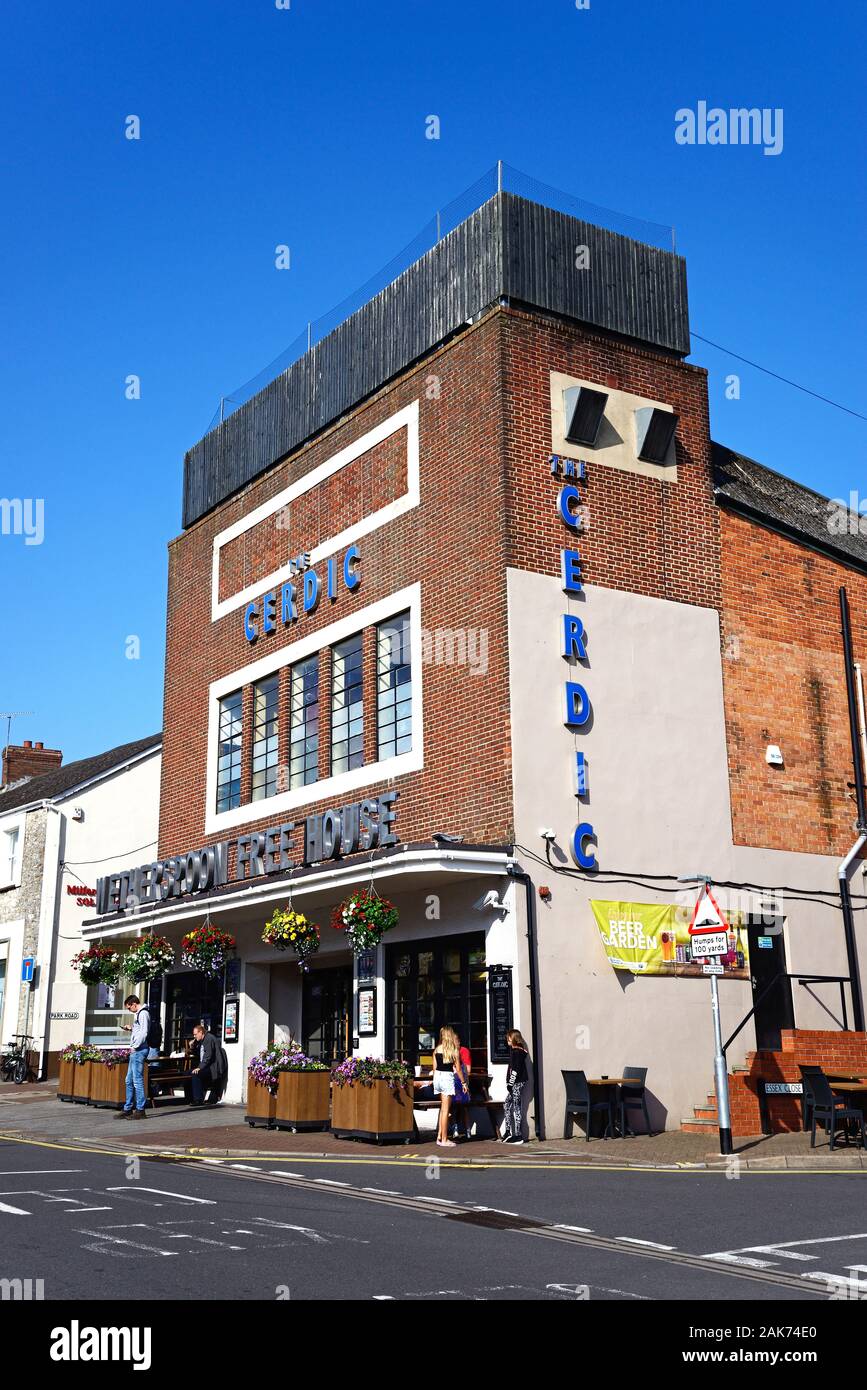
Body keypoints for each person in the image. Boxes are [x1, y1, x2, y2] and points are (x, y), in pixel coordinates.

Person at [119, 995, 151, 1119]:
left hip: (139, 1050)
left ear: (133, 1004)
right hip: (135, 1050)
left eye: (129, 1008)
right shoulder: (138, 1014)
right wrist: (131, 1028)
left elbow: (144, 1032)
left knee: (137, 1080)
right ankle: (128, 1108)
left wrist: (136, 1045)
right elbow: (139, 1030)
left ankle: (140, 1110)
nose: (129, 1010)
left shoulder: (143, 1014)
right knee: (129, 1080)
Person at [433, 1025, 464, 1147]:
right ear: (450, 1035)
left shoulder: (436, 1050)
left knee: (443, 1109)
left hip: (438, 1078)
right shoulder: (453, 1050)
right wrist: (463, 1083)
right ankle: (444, 1139)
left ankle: (439, 1136)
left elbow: (434, 1068)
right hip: (447, 1078)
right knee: (446, 1110)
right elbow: (459, 1069)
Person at [501, 1028, 530, 1144]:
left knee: (517, 1107)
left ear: (513, 1039)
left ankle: (518, 1135)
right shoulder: (516, 1051)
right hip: (515, 1083)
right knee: (507, 1104)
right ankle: (508, 1131)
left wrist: (510, 1084)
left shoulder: (517, 1053)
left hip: (517, 1083)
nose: (507, 1039)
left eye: (509, 1037)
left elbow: (515, 1070)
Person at [190, 1022, 227, 1105]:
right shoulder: (202, 1040)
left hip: (214, 1068)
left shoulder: (208, 1039)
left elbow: (208, 1056)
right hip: (208, 1066)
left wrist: (199, 1068)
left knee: (196, 1074)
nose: (194, 1036)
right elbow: (198, 1055)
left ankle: (198, 1099)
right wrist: (192, 1047)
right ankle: (189, 1097)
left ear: (200, 1032)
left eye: (195, 1034)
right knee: (187, 1073)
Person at [450, 1038, 473, 1140]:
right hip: (458, 1088)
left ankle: (460, 1130)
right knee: (457, 1108)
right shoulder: (460, 1066)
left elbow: (466, 1073)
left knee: (458, 1108)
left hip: (459, 1088)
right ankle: (465, 1131)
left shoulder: (460, 1066)